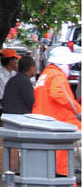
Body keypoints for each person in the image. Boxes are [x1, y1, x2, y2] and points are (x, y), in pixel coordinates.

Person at [32, 45, 82, 177]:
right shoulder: (56, 74)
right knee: (61, 162)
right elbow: (59, 94)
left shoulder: (46, 74)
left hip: (46, 124)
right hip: (58, 125)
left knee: (53, 162)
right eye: (69, 65)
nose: (70, 68)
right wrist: (79, 112)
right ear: (62, 63)